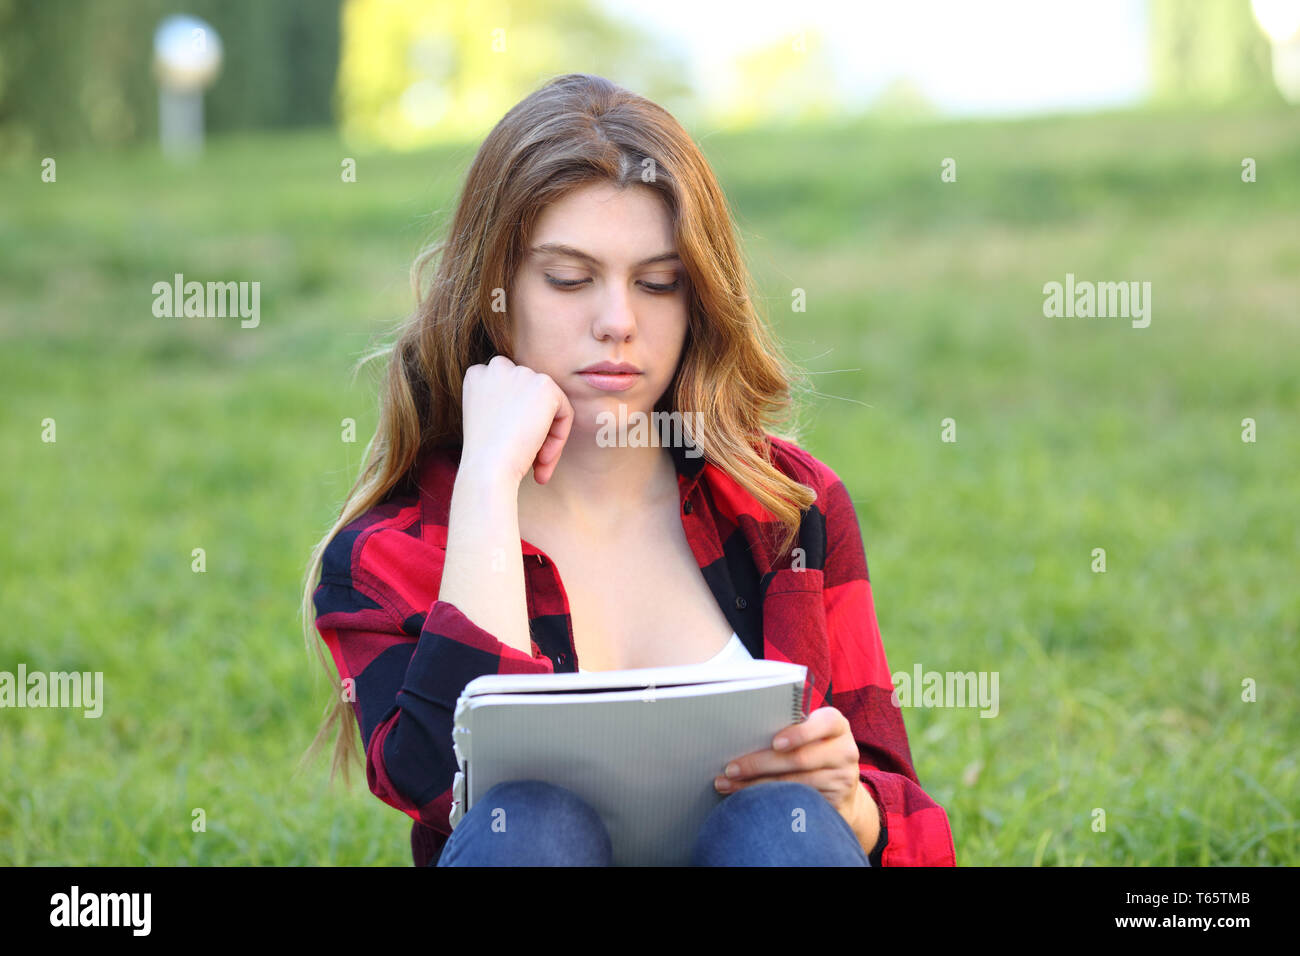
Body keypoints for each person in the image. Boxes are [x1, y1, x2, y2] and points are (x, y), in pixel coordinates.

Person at [301, 73, 956, 867]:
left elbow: (915, 829)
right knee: (531, 819)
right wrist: (485, 488)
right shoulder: (387, 555)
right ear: (494, 292)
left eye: (658, 283)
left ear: (699, 298)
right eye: (569, 279)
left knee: (778, 817)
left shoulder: (788, 508)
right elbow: (443, 786)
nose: (618, 322)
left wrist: (852, 804)